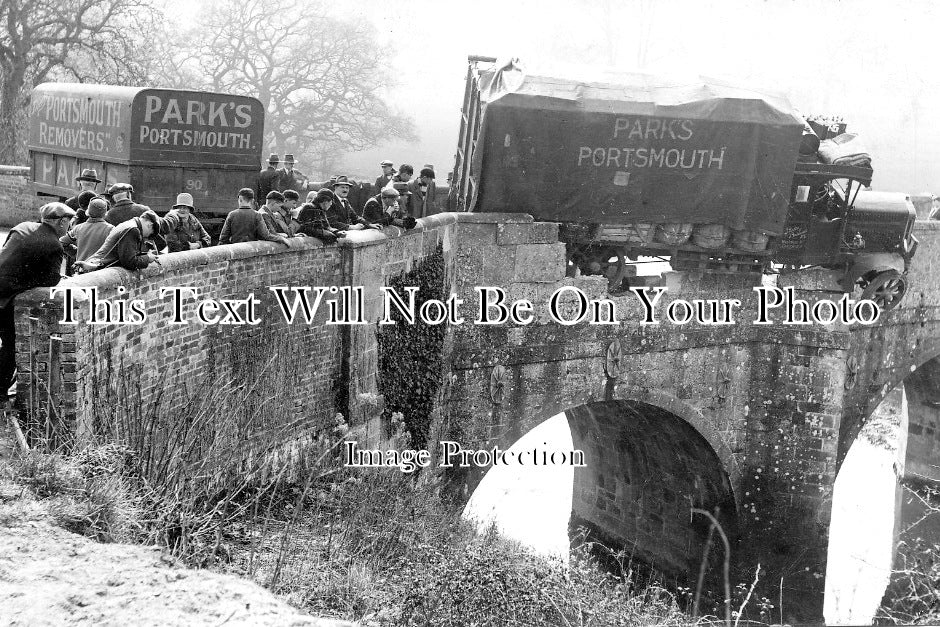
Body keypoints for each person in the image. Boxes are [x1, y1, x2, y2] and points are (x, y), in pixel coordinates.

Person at [0, 202, 75, 399]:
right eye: (68, 223)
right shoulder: (55, 245)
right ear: (62, 222)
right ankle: (0, 392)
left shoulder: (22, 227)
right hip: (6, 298)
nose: (69, 227)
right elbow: (51, 280)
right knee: (11, 346)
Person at [78, 210, 168, 273]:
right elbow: (129, 262)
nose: (147, 237)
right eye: (150, 234)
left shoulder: (128, 224)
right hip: (99, 268)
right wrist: (148, 258)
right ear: (149, 225)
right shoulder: (133, 230)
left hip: (95, 263)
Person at [218, 188, 290, 246]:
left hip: (235, 249)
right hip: (252, 249)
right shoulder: (257, 215)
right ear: (252, 201)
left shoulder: (232, 214)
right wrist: (281, 239)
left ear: (239, 199)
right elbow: (266, 235)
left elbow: (223, 238)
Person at [60, 198, 114, 264]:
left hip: (80, 269)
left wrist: (75, 253)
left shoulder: (78, 228)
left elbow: (62, 242)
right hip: (101, 270)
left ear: (88, 211)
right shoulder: (110, 229)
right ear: (105, 213)